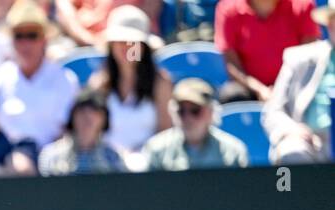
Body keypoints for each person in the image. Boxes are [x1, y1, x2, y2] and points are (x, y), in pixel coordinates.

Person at [0, 0, 78, 149]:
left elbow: (69, 131)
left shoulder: (65, 80)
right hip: (9, 163)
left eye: (32, 35)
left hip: (54, 165)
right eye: (19, 36)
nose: (25, 44)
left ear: (44, 40)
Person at [87, 6, 172, 159]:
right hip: (106, 166)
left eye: (132, 42)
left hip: (148, 167)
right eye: (119, 41)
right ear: (111, 46)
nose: (125, 47)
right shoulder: (99, 84)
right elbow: (91, 133)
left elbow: (165, 134)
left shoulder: (160, 83)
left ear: (143, 48)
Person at [263, 5, 335, 163]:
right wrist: (292, 129)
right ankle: (286, 189)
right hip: (312, 142)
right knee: (291, 151)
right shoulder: (299, 58)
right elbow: (273, 111)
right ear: (330, 25)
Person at [215, 0, 322, 102]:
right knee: (231, 95)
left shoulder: (303, 5)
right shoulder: (228, 8)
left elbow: (309, 59)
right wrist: (260, 90)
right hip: (251, 90)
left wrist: (282, 90)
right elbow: (232, 65)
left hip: (295, 86)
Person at [142, 78, 250, 169]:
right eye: (181, 111)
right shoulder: (157, 150)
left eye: (195, 111)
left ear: (211, 112)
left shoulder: (232, 151)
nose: (188, 118)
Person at [38, 86, 128, 173]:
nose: (87, 117)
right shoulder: (51, 156)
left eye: (95, 112)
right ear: (72, 116)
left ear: (104, 119)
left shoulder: (113, 158)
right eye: (82, 111)